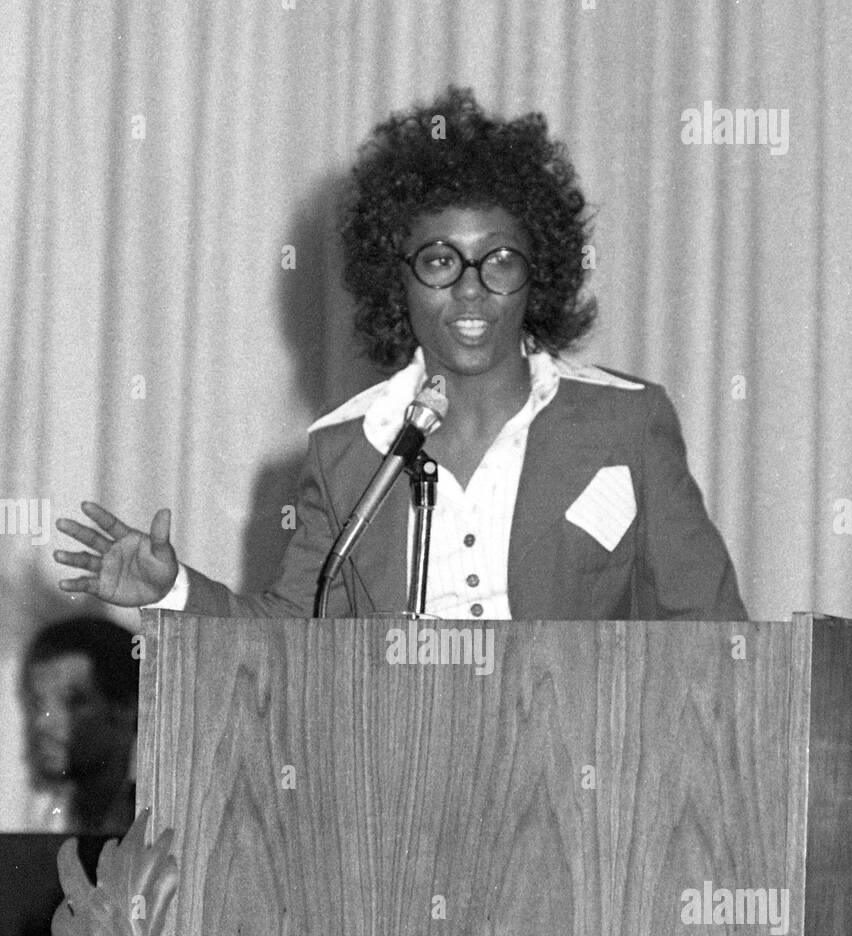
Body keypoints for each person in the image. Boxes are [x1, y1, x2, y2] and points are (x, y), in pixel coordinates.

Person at [53, 87, 747, 621]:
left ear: (541, 274)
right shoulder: (349, 449)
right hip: (402, 789)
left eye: (500, 261)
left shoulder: (626, 424)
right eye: (441, 262)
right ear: (399, 279)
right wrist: (171, 590)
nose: (472, 292)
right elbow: (292, 637)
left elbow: (713, 632)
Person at [19, 615, 138, 834]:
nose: (41, 722)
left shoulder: (158, 822)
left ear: (125, 708)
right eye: (37, 702)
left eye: (71, 702)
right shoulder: (33, 820)